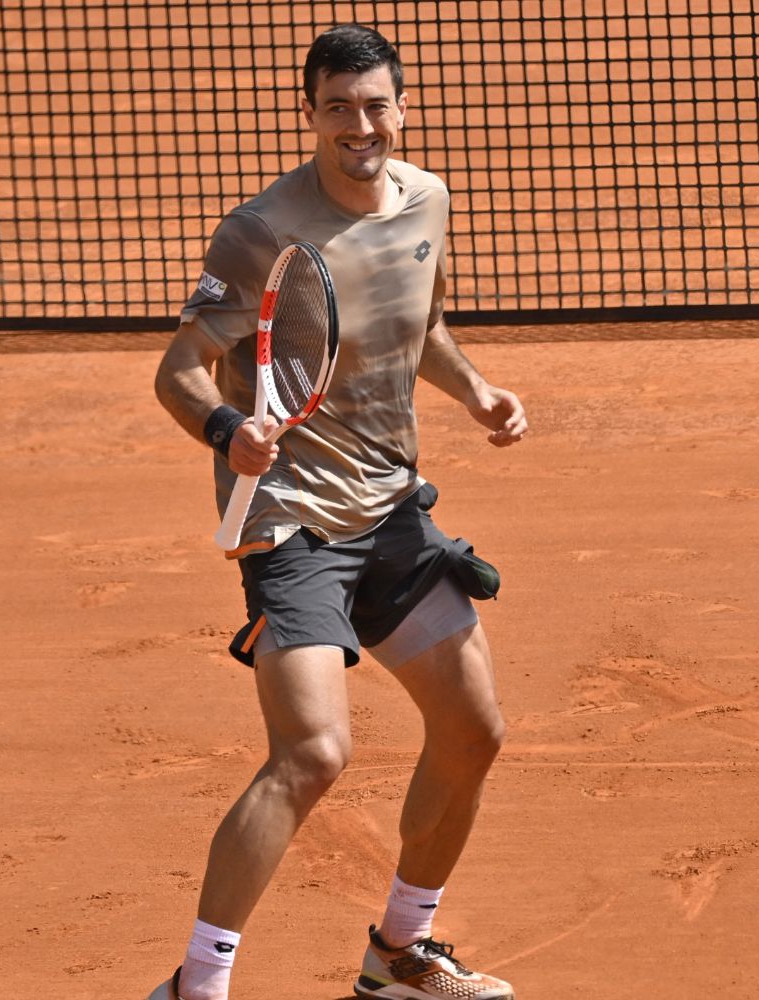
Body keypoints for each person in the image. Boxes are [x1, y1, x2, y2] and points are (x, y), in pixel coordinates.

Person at [148, 23, 528, 1000]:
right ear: (310, 113)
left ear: (401, 107)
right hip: (293, 521)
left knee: (473, 729)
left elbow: (421, 324)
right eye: (337, 109)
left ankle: (400, 952)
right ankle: (197, 985)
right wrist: (227, 427)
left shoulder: (428, 200)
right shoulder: (260, 231)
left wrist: (476, 392)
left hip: (391, 509)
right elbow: (180, 370)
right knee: (313, 752)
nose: (358, 126)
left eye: (374, 106)